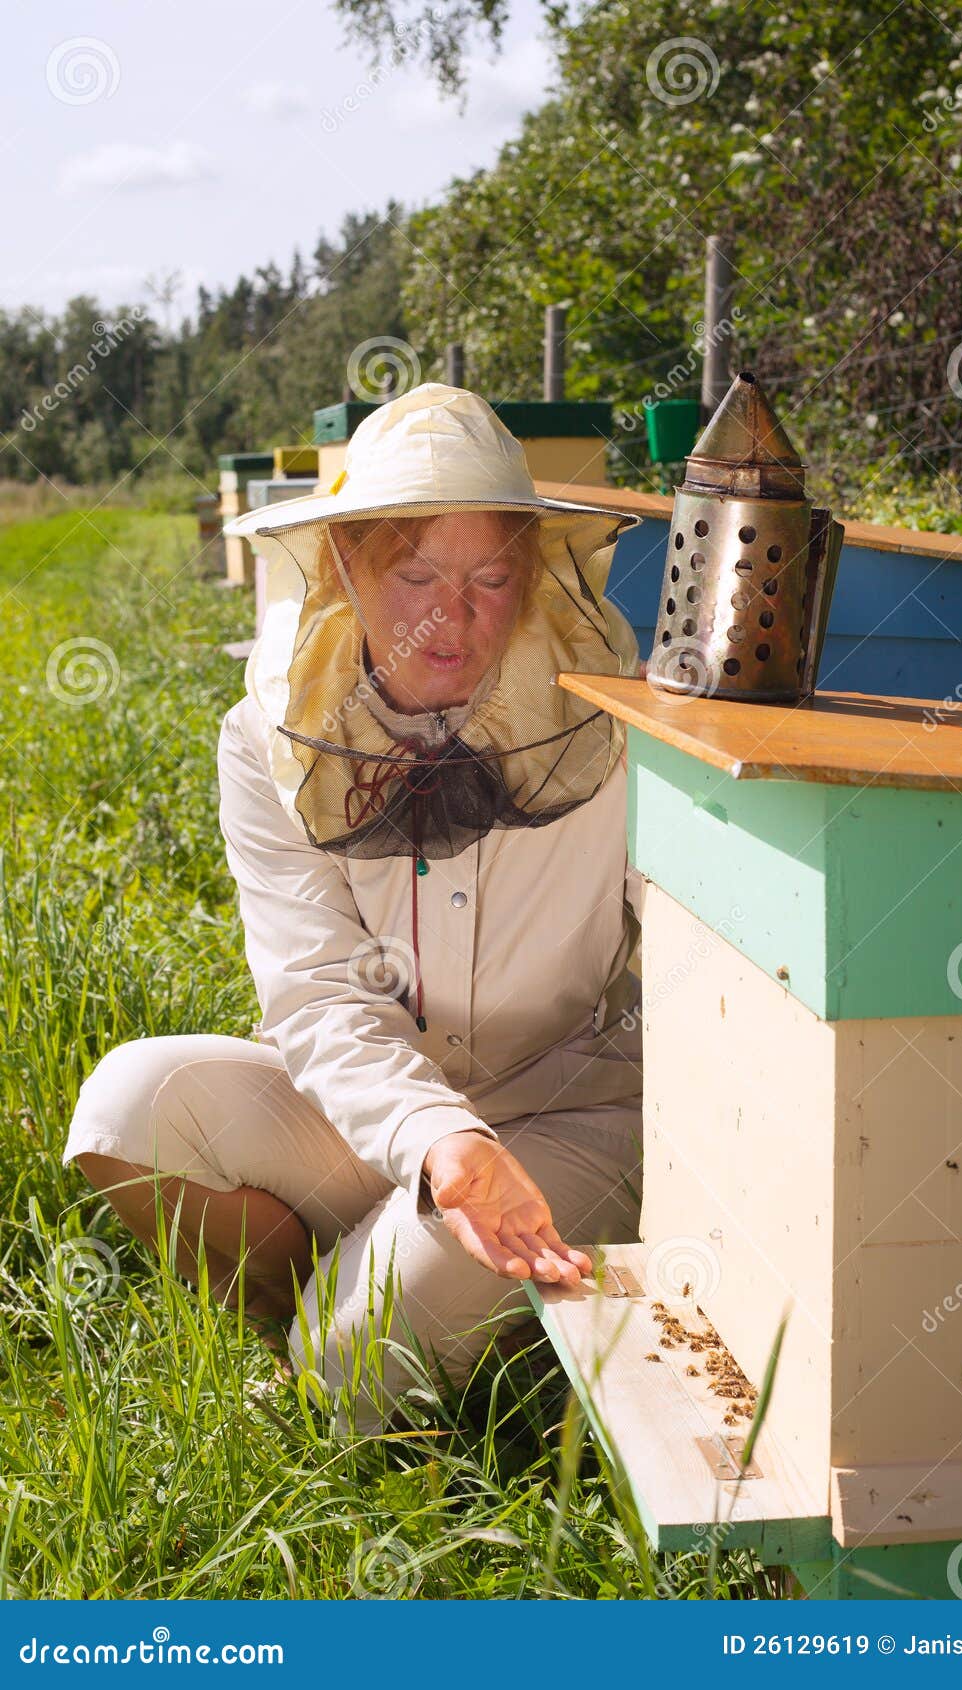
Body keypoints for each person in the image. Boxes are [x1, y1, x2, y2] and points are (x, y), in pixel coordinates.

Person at [62, 383, 647, 1431]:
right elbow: (317, 990)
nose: (450, 618)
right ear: (345, 565)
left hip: (565, 1112)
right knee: (128, 1106)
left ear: (528, 575)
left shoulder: (611, 715)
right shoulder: (268, 734)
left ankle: (395, 1320)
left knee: (347, 1371)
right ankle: (324, 1297)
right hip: (370, 1109)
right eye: (415, 575)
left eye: (489, 578)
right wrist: (434, 1138)